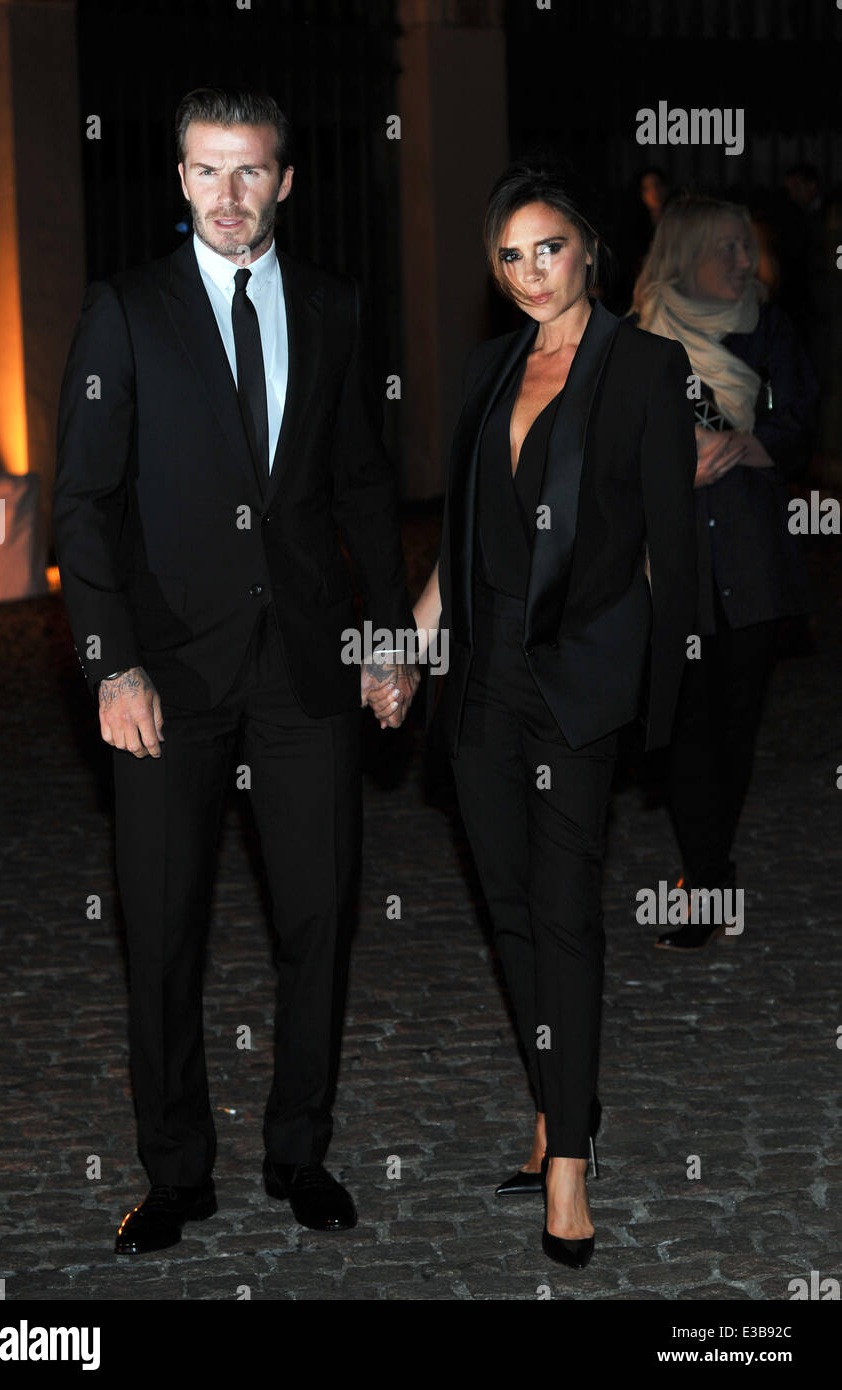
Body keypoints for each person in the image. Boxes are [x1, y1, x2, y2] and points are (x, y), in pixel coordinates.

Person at [53, 87, 419, 1254]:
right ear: (175, 179)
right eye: (206, 171)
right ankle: (175, 1172)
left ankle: (298, 1151)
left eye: (250, 171)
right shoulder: (125, 312)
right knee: (161, 929)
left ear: (285, 180)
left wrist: (388, 633)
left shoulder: (332, 305)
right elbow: (82, 507)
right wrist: (110, 665)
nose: (228, 195)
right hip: (165, 675)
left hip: (307, 667)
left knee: (319, 920)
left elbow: (360, 481)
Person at [384, 157, 697, 1269]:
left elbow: (671, 549)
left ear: (588, 250)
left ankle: (568, 1160)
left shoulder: (647, 371)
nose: (527, 273)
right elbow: (462, 540)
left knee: (562, 912)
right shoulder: (484, 369)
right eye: (508, 257)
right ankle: (552, 1098)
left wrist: (665, 706)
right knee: (507, 908)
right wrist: (406, 648)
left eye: (545, 248)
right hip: (479, 681)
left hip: (577, 685)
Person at [629, 194, 817, 949]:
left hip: (747, 558)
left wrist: (753, 443)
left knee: (731, 729)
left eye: (748, 248)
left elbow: (801, 417)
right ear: (683, 255)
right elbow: (602, 455)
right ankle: (703, 868)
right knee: (679, 728)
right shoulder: (632, 340)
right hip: (667, 566)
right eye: (728, 249)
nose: (745, 263)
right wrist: (673, 472)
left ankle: (705, 880)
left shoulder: (767, 329)